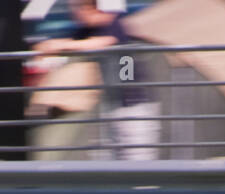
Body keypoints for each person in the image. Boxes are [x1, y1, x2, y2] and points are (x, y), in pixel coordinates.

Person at [34, 0, 161, 161]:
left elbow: (102, 43)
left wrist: (61, 45)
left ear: (90, 8)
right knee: (111, 163)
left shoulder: (112, 23)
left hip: (135, 108)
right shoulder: (86, 30)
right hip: (112, 107)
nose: (74, 14)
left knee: (138, 162)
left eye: (77, 8)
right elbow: (67, 46)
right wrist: (47, 47)